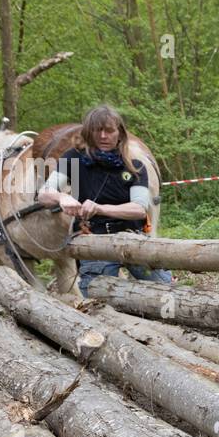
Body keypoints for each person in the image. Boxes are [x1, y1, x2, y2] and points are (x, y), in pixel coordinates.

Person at [37, 104, 173, 295]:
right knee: (99, 300)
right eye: (97, 130)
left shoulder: (134, 166)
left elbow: (139, 209)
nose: (103, 136)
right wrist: (61, 197)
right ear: (88, 133)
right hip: (94, 242)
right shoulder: (73, 159)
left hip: (134, 237)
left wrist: (100, 209)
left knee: (167, 291)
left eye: (109, 131)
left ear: (120, 134)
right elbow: (43, 194)